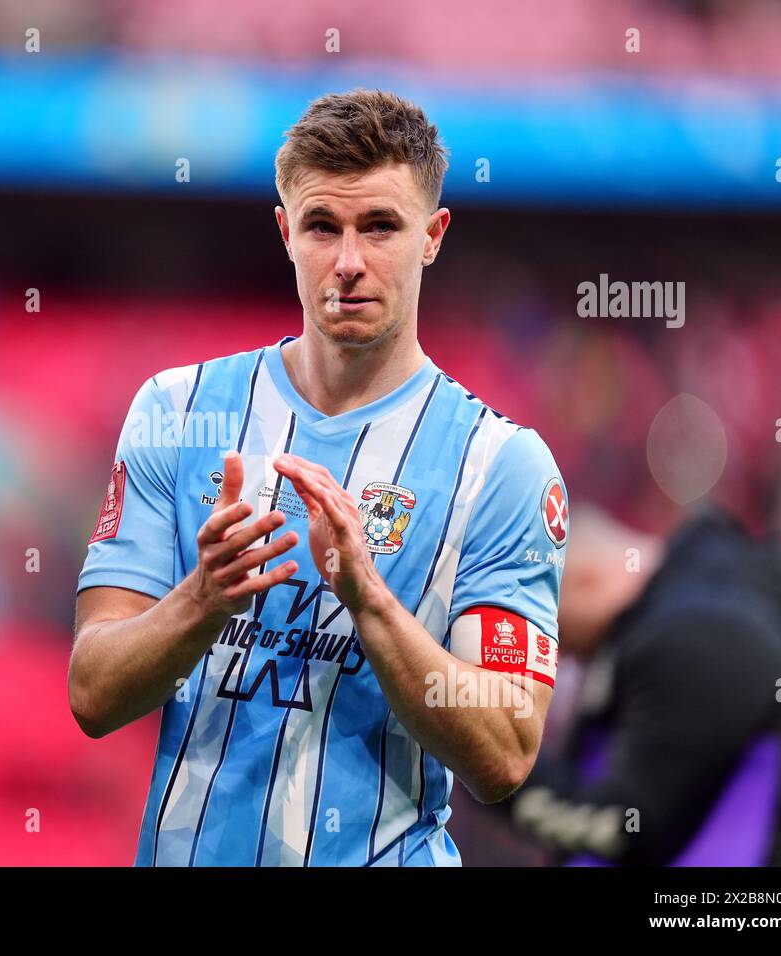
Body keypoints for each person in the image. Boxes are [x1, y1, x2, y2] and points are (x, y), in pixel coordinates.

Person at [70, 89, 569, 866]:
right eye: (321, 227)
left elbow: (504, 752)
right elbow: (94, 694)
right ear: (284, 232)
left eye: (380, 227)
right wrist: (202, 601)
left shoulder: (500, 466)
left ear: (432, 235)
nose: (348, 262)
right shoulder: (177, 409)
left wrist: (369, 600)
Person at [504, 503, 781, 866]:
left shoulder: (697, 633)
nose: (564, 659)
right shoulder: (687, 612)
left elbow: (632, 829)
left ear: (585, 582)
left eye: (559, 634)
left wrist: (493, 768)